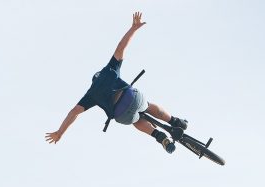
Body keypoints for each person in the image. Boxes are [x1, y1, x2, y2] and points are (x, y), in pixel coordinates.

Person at [45, 12, 188, 154]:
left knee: (135, 121)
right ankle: (175, 121)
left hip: (122, 115)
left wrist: (60, 132)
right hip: (133, 98)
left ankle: (159, 136)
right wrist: (133, 28)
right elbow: (121, 47)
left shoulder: (91, 94)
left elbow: (74, 113)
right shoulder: (110, 69)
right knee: (148, 106)